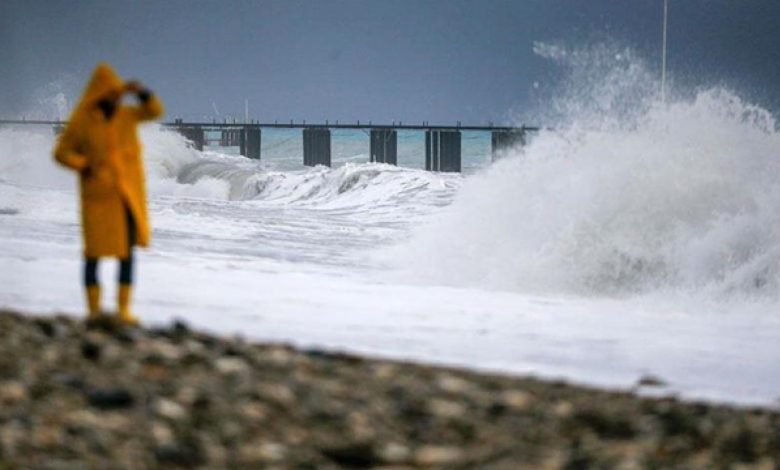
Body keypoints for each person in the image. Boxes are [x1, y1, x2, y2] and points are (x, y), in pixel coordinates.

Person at [53, 63, 163, 326]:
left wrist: (143, 92)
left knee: (126, 253)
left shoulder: (126, 116)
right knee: (93, 254)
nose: (115, 98)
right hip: (97, 197)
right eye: (111, 93)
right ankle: (93, 311)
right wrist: (83, 165)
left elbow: (154, 111)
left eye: (117, 93)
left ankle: (123, 310)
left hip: (125, 195)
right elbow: (61, 153)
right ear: (98, 94)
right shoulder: (82, 122)